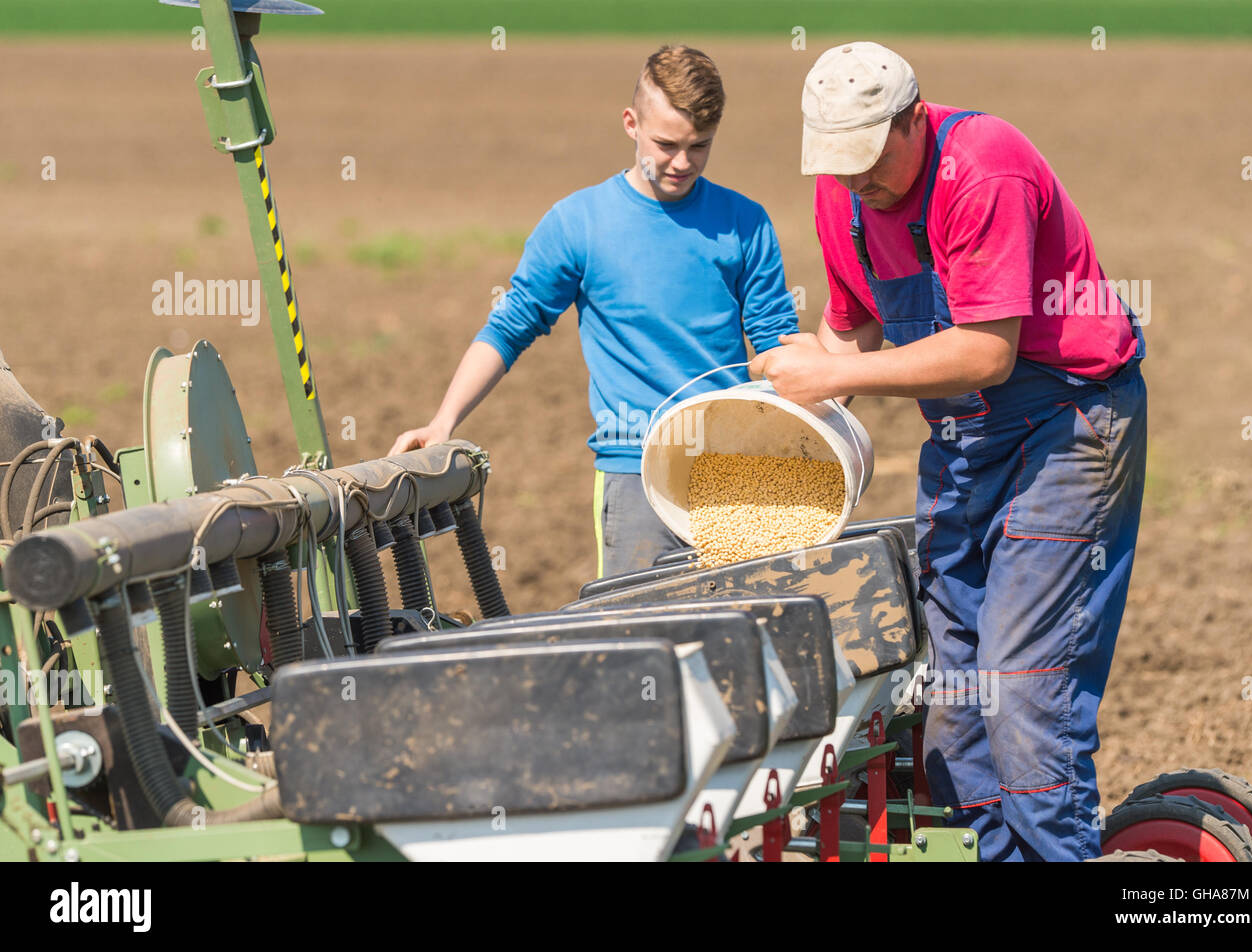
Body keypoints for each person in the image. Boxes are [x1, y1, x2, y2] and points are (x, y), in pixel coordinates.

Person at [752, 42, 1147, 861]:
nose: (854, 178)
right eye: (836, 162)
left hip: (1064, 426)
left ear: (912, 121)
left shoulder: (984, 166)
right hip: (964, 438)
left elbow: (985, 353)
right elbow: (853, 323)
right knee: (956, 708)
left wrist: (830, 372)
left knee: (1021, 690)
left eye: (866, 157)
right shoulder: (847, 199)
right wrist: (792, 423)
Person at [390, 45, 798, 578]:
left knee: (745, 640)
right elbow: (510, 327)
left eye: (700, 147)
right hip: (634, 471)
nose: (682, 162)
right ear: (631, 124)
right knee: (641, 644)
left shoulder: (745, 222)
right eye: (666, 144)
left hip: (735, 468)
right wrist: (443, 421)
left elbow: (776, 345)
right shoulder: (579, 223)